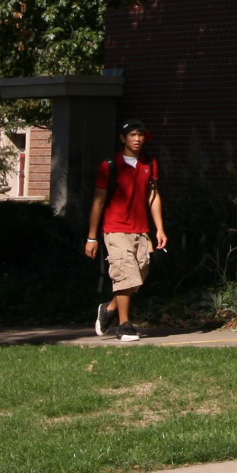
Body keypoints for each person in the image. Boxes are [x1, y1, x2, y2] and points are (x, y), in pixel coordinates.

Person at [85, 121, 167, 341]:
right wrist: (91, 237)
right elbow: (98, 202)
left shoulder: (149, 163)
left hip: (141, 229)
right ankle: (124, 325)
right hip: (116, 228)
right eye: (132, 135)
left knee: (138, 276)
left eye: (140, 135)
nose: (137, 139)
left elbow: (153, 196)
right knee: (124, 274)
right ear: (123, 139)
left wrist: (160, 229)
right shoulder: (110, 165)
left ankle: (109, 308)